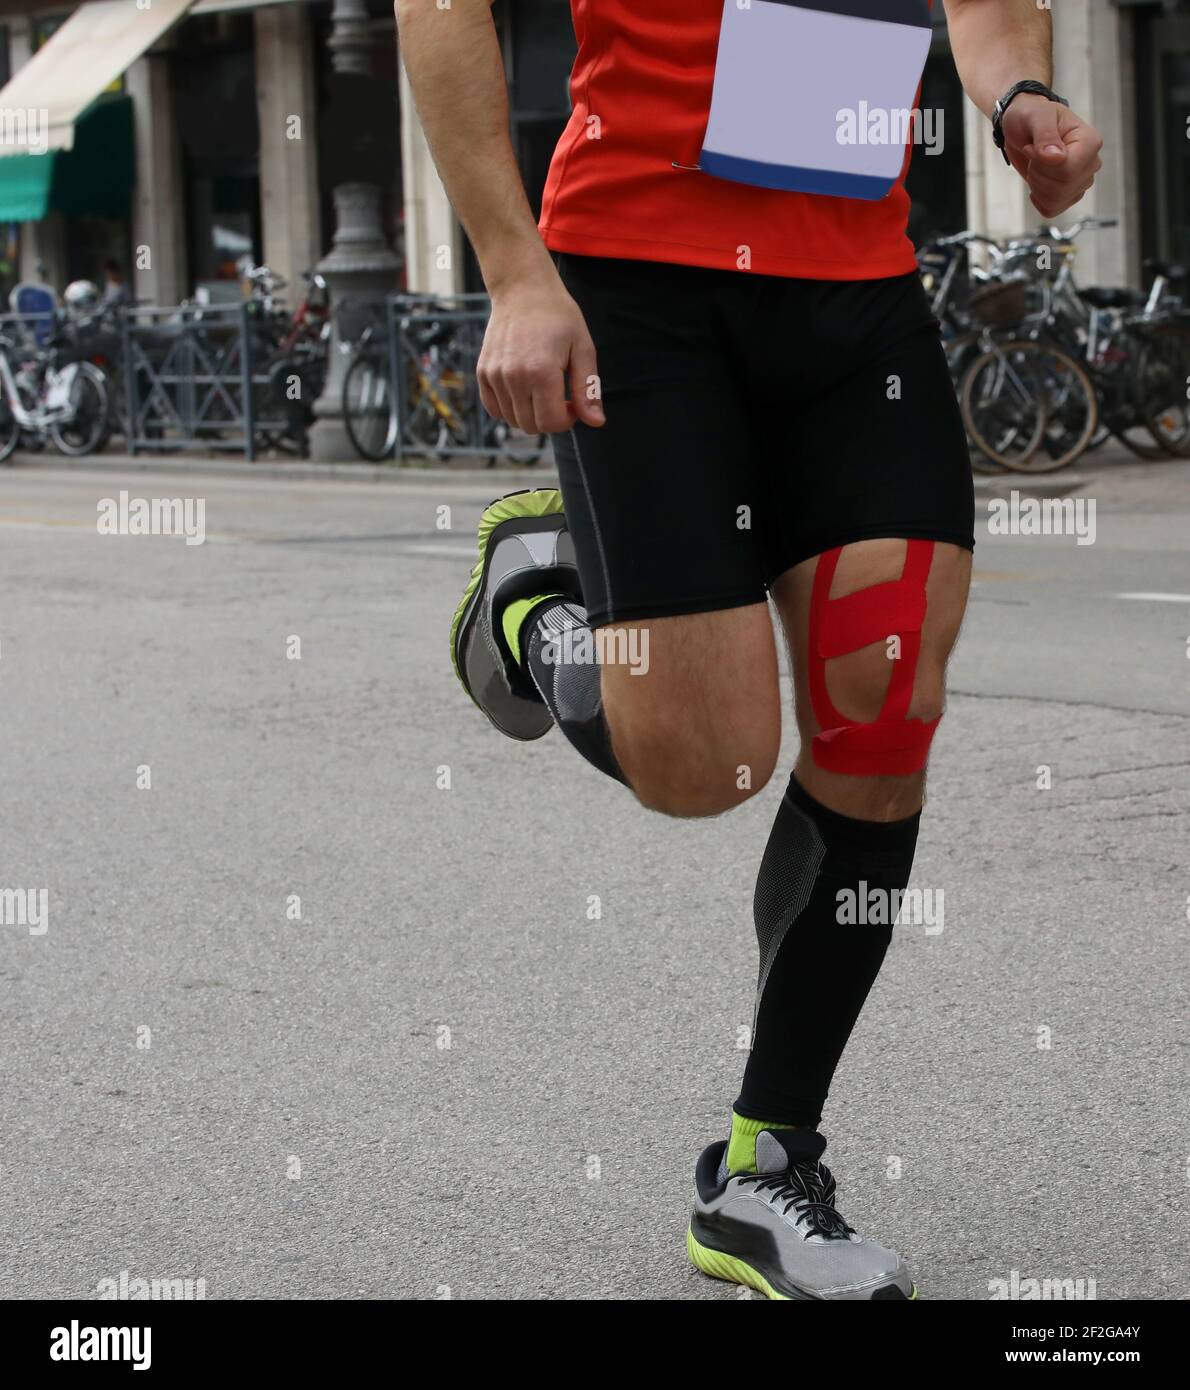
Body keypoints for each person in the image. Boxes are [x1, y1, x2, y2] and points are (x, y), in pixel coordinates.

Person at [399, 0, 1103, 1300]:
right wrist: (512, 271)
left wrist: (1011, 95)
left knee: (887, 715)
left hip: (855, 300)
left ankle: (761, 1168)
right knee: (702, 766)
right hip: (638, 282)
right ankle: (530, 602)